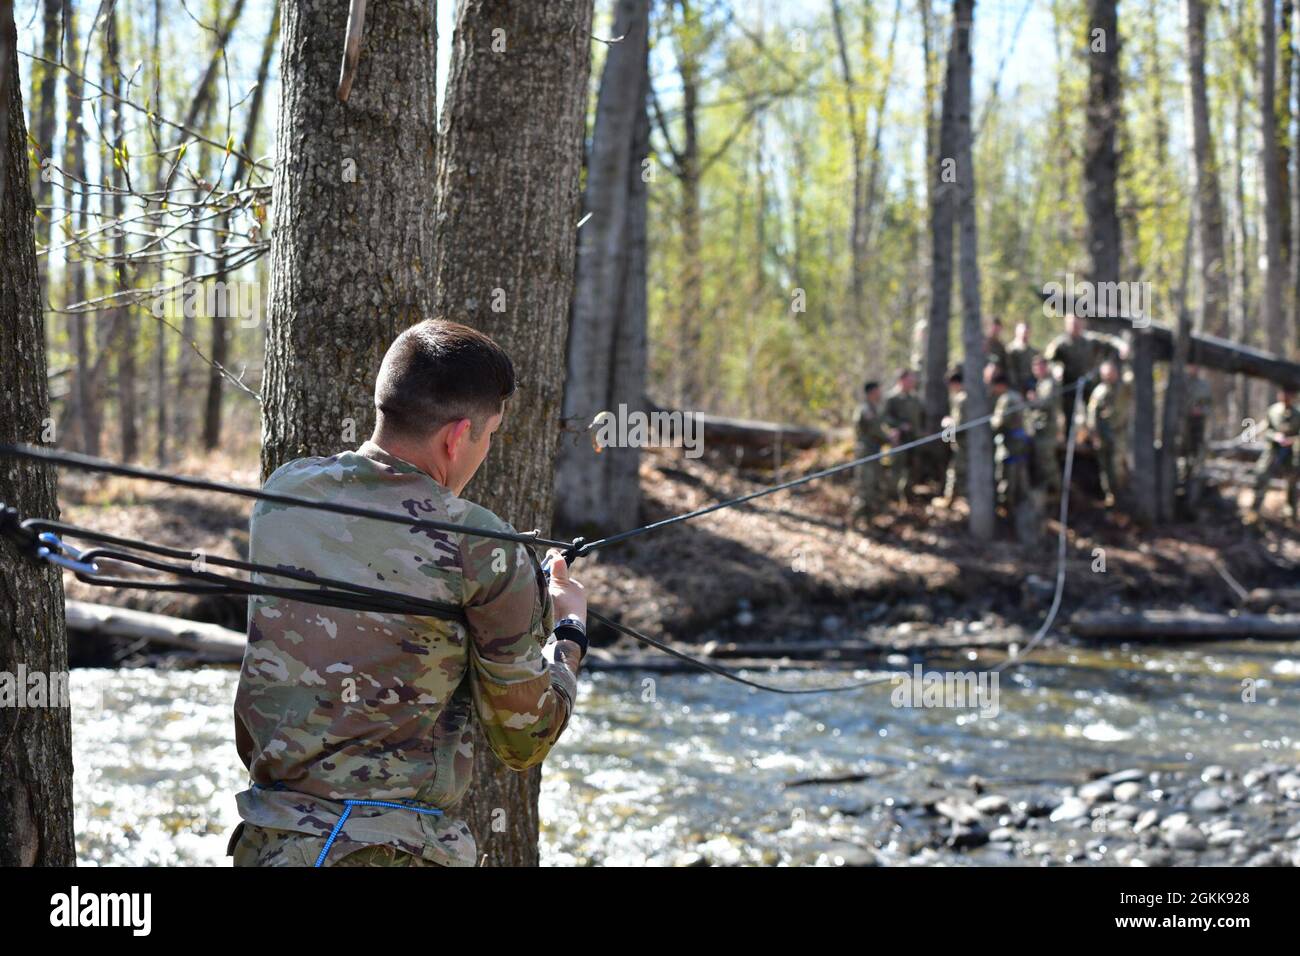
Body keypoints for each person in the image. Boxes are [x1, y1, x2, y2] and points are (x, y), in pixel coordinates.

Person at [229, 320, 587, 867]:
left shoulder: (284, 493)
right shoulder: (482, 546)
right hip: (393, 852)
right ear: (456, 436)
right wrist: (566, 631)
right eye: (489, 436)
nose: (485, 449)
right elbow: (524, 739)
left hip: (272, 844)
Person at [1044, 313, 1127, 421]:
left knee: (1093, 415)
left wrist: (1122, 346)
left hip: (1089, 384)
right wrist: (1055, 369)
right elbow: (1049, 359)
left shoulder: (1090, 340)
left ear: (1082, 324)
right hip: (1069, 385)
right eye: (1071, 324)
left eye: (1077, 323)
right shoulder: (1061, 343)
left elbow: (1110, 340)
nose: (1074, 326)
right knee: (1068, 417)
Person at [1248, 385, 1300, 522]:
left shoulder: (1297, 413)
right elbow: (1268, 430)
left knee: (1292, 481)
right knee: (1261, 473)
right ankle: (1255, 510)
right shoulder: (1273, 410)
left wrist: (1292, 440)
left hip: (1291, 451)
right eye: (1284, 394)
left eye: (1289, 395)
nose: (1286, 398)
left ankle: (1291, 513)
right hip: (1273, 449)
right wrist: (1275, 436)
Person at [1086, 359, 1131, 507]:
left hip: (1120, 434)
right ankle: (1110, 495)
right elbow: (1092, 415)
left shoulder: (1124, 387)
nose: (1108, 377)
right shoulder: (1099, 392)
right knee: (1105, 467)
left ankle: (1122, 495)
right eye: (1105, 374)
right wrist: (1094, 436)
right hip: (1104, 435)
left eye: (1110, 373)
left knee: (1119, 466)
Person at [989, 369, 1032, 513]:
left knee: (1006, 476)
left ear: (1000, 385)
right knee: (1021, 475)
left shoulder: (1006, 399)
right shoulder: (1017, 396)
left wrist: (989, 423)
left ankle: (1007, 507)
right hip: (1021, 442)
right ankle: (1021, 504)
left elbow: (999, 422)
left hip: (1010, 444)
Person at [883, 368, 925, 503]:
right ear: (901, 380)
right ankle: (892, 498)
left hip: (914, 440)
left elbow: (921, 418)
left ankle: (907, 497)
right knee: (896, 469)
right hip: (899, 441)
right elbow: (884, 418)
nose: (913, 382)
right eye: (910, 380)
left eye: (913, 380)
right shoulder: (892, 398)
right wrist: (899, 425)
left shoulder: (915, 398)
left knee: (912, 469)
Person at [853, 380, 890, 521]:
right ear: (871, 392)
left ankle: (869, 520)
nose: (880, 394)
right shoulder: (865, 409)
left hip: (874, 451)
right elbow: (875, 430)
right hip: (865, 453)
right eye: (878, 391)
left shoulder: (874, 408)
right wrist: (889, 439)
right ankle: (854, 522)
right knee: (865, 487)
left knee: (874, 486)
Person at [1029, 354, 1061, 496]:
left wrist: (1033, 400)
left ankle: (1058, 490)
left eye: (1040, 366)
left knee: (1048, 462)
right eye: (1035, 367)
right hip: (1039, 428)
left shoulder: (1049, 383)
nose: (1038, 369)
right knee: (1041, 461)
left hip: (1048, 429)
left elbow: (1046, 403)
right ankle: (1049, 490)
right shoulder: (1040, 383)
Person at [1181, 364, 1214, 489]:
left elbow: (1209, 406)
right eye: (1190, 365)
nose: (1193, 368)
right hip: (1183, 425)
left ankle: (1196, 481)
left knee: (1198, 452)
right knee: (1183, 453)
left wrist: (1201, 410)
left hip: (1199, 424)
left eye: (1195, 365)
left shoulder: (1204, 385)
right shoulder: (1180, 384)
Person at [941, 366, 967, 506]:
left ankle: (951, 499)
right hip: (961, 443)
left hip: (964, 444)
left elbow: (960, 425)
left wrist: (948, 425)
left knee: (955, 471)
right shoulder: (963, 397)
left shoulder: (961, 399)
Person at [1005, 322, 1038, 394]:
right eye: (1022, 332)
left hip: (1031, 384)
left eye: (1026, 332)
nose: (1024, 335)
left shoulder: (1033, 351)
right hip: (1015, 385)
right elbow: (1009, 370)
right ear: (1016, 333)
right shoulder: (1009, 350)